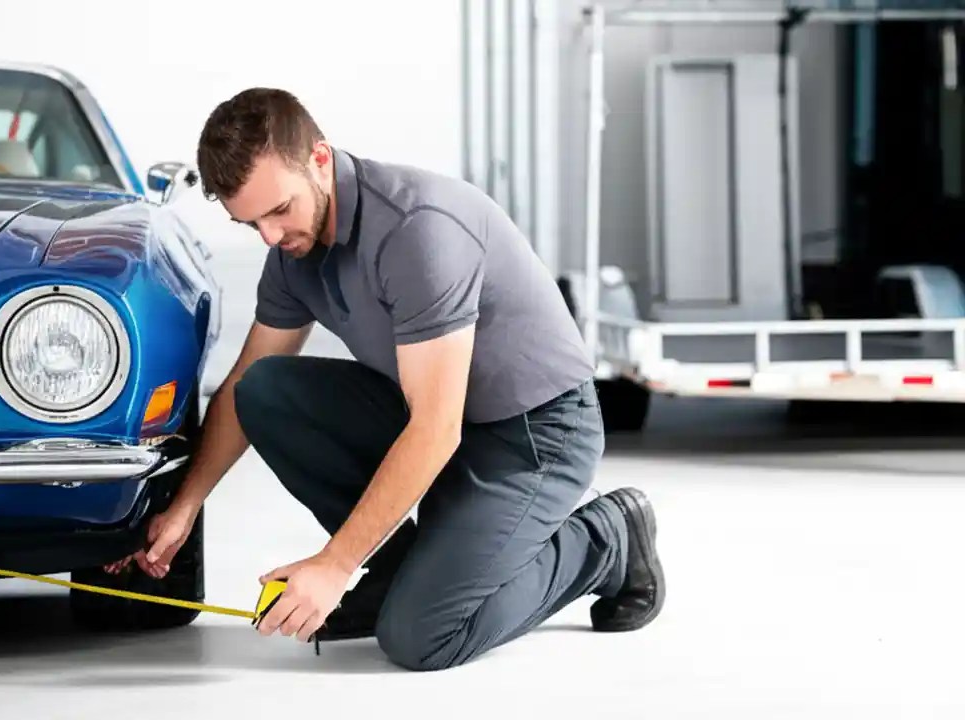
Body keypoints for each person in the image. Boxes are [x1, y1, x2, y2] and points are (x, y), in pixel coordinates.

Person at [126, 88, 664, 671]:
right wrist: (184, 506)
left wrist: (333, 566)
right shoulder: (290, 251)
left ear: (321, 160)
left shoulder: (418, 232)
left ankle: (604, 541)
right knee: (264, 390)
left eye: (279, 210)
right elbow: (242, 382)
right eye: (249, 222)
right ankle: (403, 567)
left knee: (420, 635)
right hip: (441, 418)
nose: (271, 238)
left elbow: (436, 430)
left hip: (534, 436)